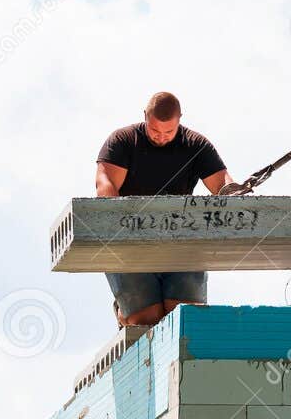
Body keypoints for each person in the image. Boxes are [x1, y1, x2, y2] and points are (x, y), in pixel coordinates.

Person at [95, 91, 236, 327]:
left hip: (179, 240)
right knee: (147, 320)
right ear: (145, 118)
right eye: (154, 131)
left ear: (180, 120)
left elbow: (222, 184)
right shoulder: (122, 141)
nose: (161, 137)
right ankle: (126, 310)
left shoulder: (195, 144)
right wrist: (121, 223)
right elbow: (105, 184)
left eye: (168, 132)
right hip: (131, 241)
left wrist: (235, 191)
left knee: (184, 318)